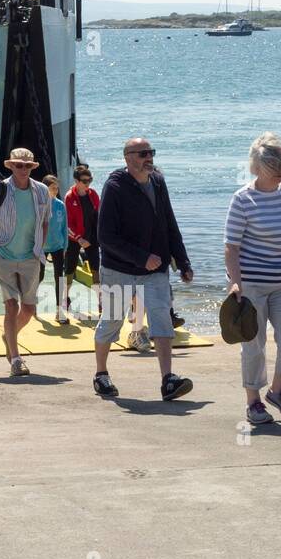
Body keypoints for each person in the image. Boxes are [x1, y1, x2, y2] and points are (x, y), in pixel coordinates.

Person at [93, 137, 195, 402]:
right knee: (112, 321)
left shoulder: (158, 182)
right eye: (142, 154)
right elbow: (105, 237)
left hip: (156, 269)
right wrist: (141, 257)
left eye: (151, 153)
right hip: (118, 269)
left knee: (161, 319)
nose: (148, 158)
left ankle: (168, 380)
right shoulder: (114, 187)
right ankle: (101, 374)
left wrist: (182, 261)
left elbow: (169, 223)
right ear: (127, 157)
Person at [225, 132, 281, 425]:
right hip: (251, 285)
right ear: (259, 169)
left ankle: (277, 390)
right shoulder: (242, 200)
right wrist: (235, 282)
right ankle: (253, 402)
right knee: (254, 344)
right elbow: (231, 246)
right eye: (276, 170)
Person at [0, 147, 50, 377]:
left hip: (31, 256)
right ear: (11, 166)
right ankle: (16, 359)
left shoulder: (41, 191)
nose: (23, 169)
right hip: (4, 256)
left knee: (28, 310)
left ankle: (8, 337)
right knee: (12, 306)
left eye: (27, 166)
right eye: (19, 165)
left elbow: (45, 221)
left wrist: (41, 248)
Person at [64, 163, 101, 315]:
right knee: (69, 269)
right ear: (77, 181)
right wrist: (79, 239)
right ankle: (64, 297)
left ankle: (100, 302)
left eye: (90, 180)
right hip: (75, 239)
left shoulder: (93, 194)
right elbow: (67, 223)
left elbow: (98, 217)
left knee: (96, 270)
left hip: (92, 237)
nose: (88, 184)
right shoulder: (69, 197)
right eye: (85, 181)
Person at [42, 174, 70, 322]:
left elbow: (64, 227)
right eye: (53, 188)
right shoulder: (40, 204)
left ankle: (59, 310)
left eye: (57, 188)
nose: (56, 190)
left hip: (58, 246)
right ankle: (30, 302)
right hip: (42, 246)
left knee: (59, 277)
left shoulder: (60, 204)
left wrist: (65, 246)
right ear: (45, 188)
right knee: (38, 276)